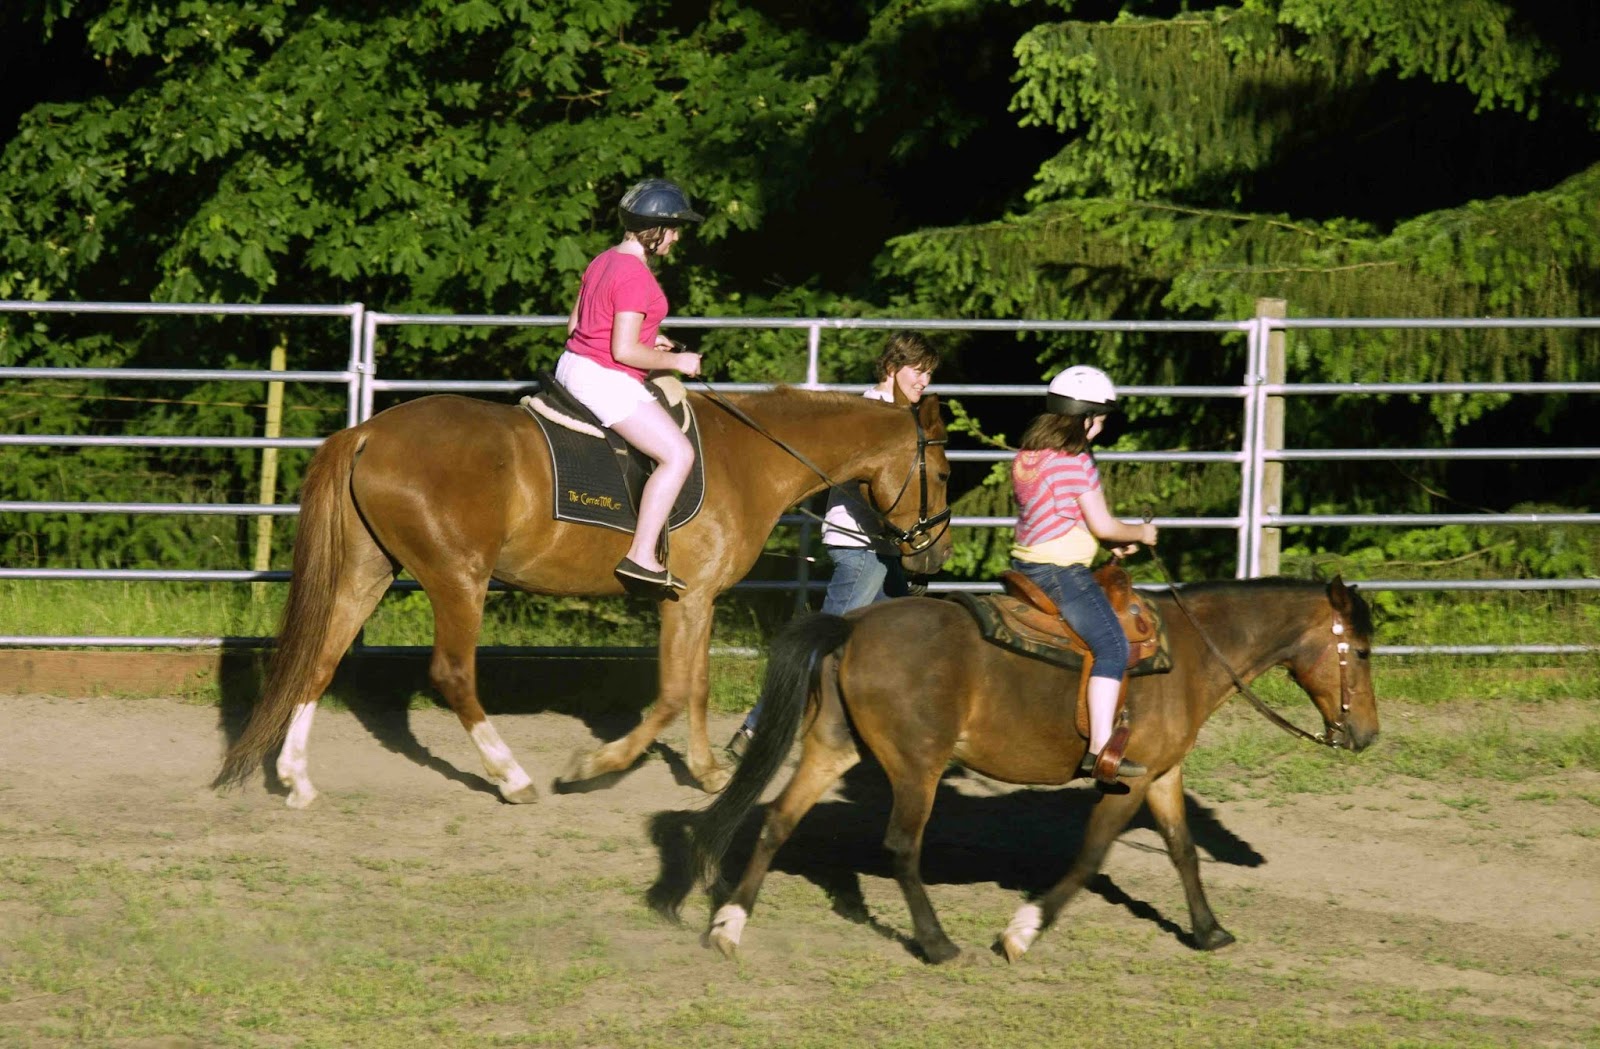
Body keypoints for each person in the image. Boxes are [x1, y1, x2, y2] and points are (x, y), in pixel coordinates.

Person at [726, 332, 942, 758]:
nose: (925, 381)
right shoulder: (865, 413)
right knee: (823, 640)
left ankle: (871, 734)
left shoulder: (902, 417)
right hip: (860, 546)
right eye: (919, 370)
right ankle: (757, 727)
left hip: (881, 548)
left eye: (930, 373)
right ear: (892, 368)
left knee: (892, 642)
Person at [1009, 364, 1158, 781]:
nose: (1099, 430)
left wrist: (1106, 542)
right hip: (1061, 573)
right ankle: (1099, 750)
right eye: (1099, 421)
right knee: (1111, 645)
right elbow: (1105, 524)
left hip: (1026, 564)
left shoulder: (1029, 456)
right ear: (1082, 418)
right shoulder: (1076, 463)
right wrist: (1141, 533)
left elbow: (1056, 512)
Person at [558, 178, 705, 591]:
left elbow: (576, 326)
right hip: (604, 378)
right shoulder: (637, 276)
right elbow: (623, 352)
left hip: (573, 364)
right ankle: (642, 556)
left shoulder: (603, 260)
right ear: (654, 229)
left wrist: (648, 338)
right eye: (674, 229)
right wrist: (678, 360)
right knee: (678, 454)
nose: (676, 238)